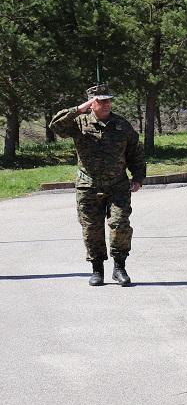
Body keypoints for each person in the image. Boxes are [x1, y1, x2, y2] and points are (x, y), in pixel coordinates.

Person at [49, 84, 145, 287]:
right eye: (101, 101)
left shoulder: (121, 125)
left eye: (109, 100)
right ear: (92, 103)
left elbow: (135, 151)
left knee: (120, 225)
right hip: (88, 186)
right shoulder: (79, 122)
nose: (107, 104)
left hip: (117, 185)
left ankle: (119, 267)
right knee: (91, 228)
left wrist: (138, 177)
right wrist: (78, 109)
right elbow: (56, 126)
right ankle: (97, 269)